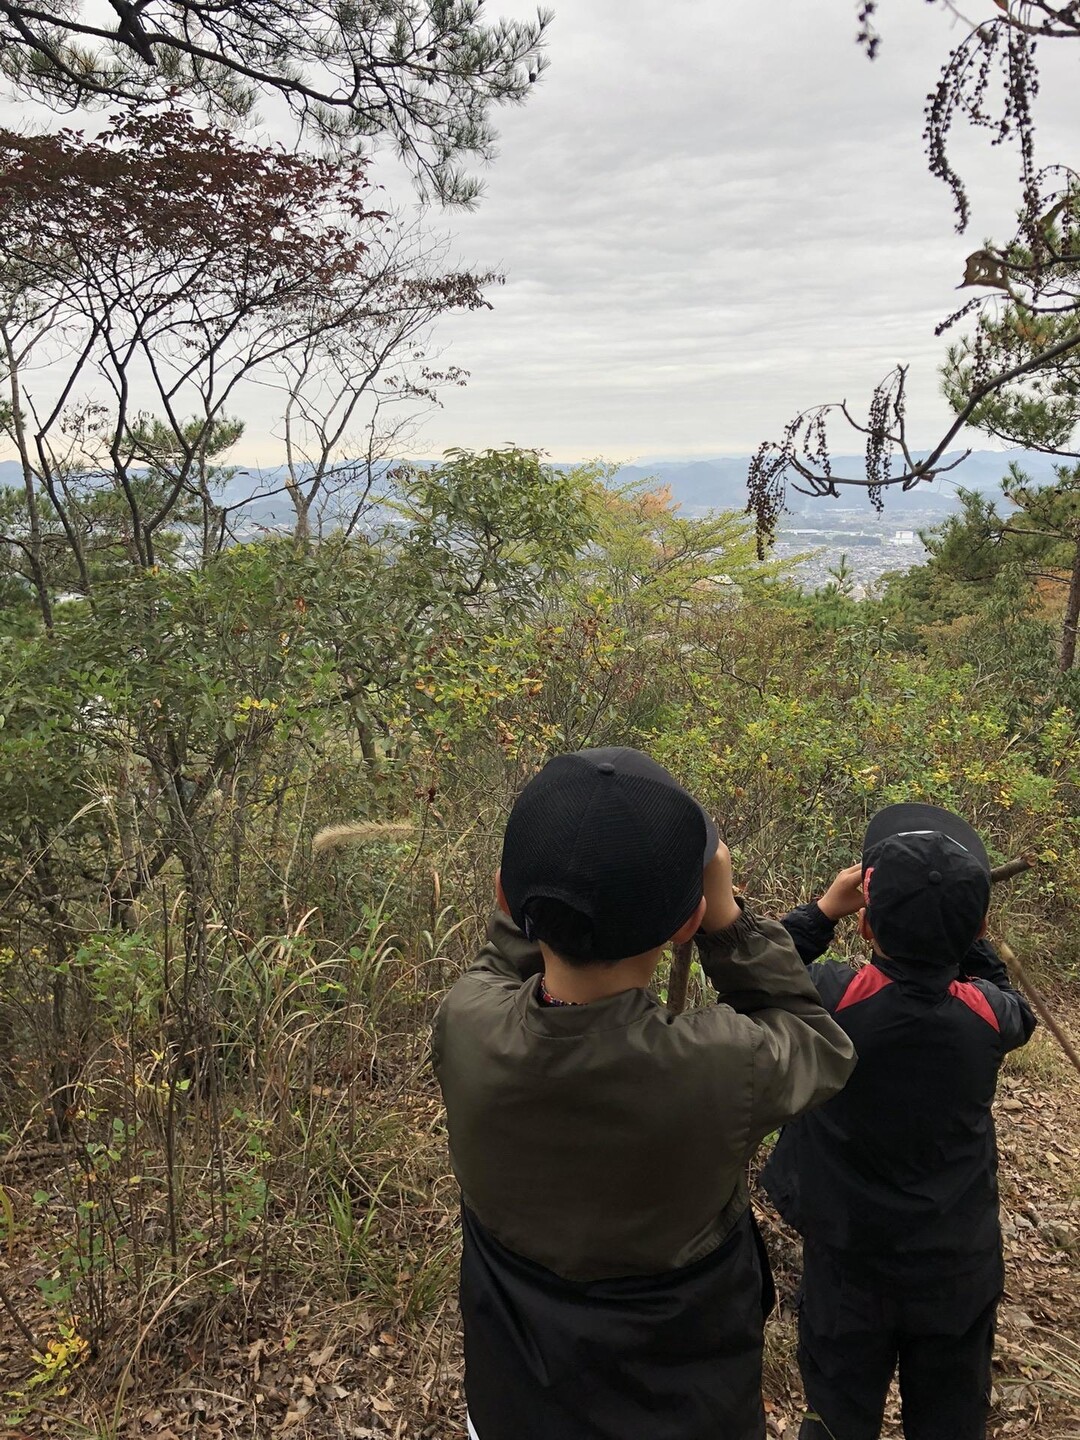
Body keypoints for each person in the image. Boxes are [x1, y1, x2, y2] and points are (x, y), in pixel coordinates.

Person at [432, 746, 857, 1440]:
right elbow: (816, 1041)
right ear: (685, 920)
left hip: (512, 1396)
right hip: (683, 1409)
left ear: (507, 896)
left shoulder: (467, 1021)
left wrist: (554, 866)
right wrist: (727, 919)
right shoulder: (718, 1067)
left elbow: (498, 959)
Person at [763, 802, 1037, 1440]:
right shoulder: (991, 1018)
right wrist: (974, 938)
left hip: (846, 1263)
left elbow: (757, 971)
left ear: (865, 926)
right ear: (975, 930)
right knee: (950, 1419)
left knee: (834, 1416)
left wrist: (822, 911)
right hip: (957, 1267)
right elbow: (1008, 999)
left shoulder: (832, 1000)